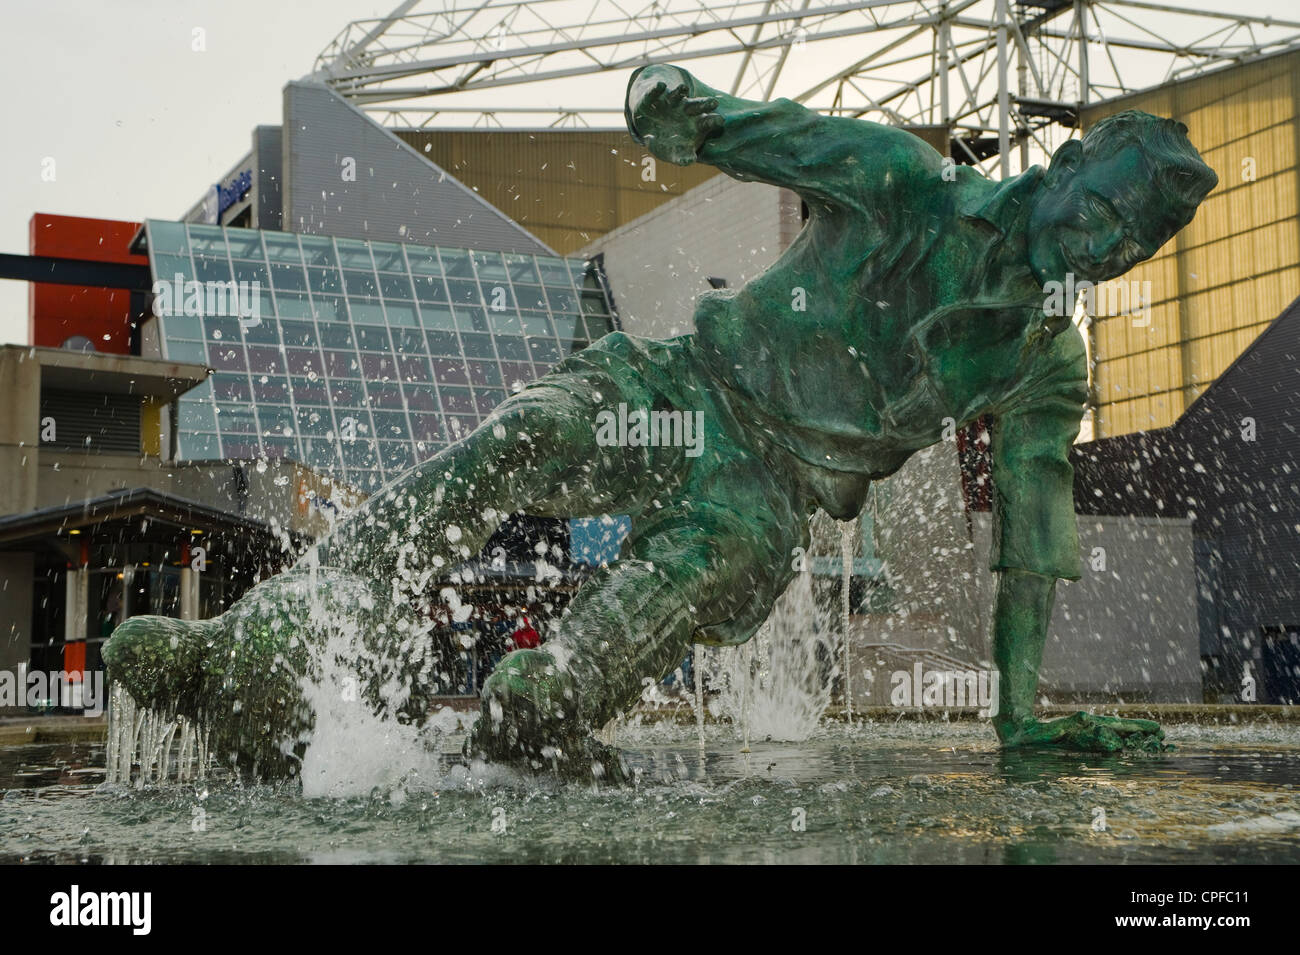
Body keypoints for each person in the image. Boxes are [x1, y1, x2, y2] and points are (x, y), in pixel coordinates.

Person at [108, 64, 1217, 777]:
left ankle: (534, 718)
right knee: (522, 438)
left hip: (761, 493)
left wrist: (1018, 717)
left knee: (594, 655)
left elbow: (1028, 552)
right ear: (1067, 166)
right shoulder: (901, 182)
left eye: (1132, 243)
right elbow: (744, 130)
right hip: (681, 391)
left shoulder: (1039, 359)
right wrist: (673, 105)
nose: (1106, 246)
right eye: (1107, 211)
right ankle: (283, 629)